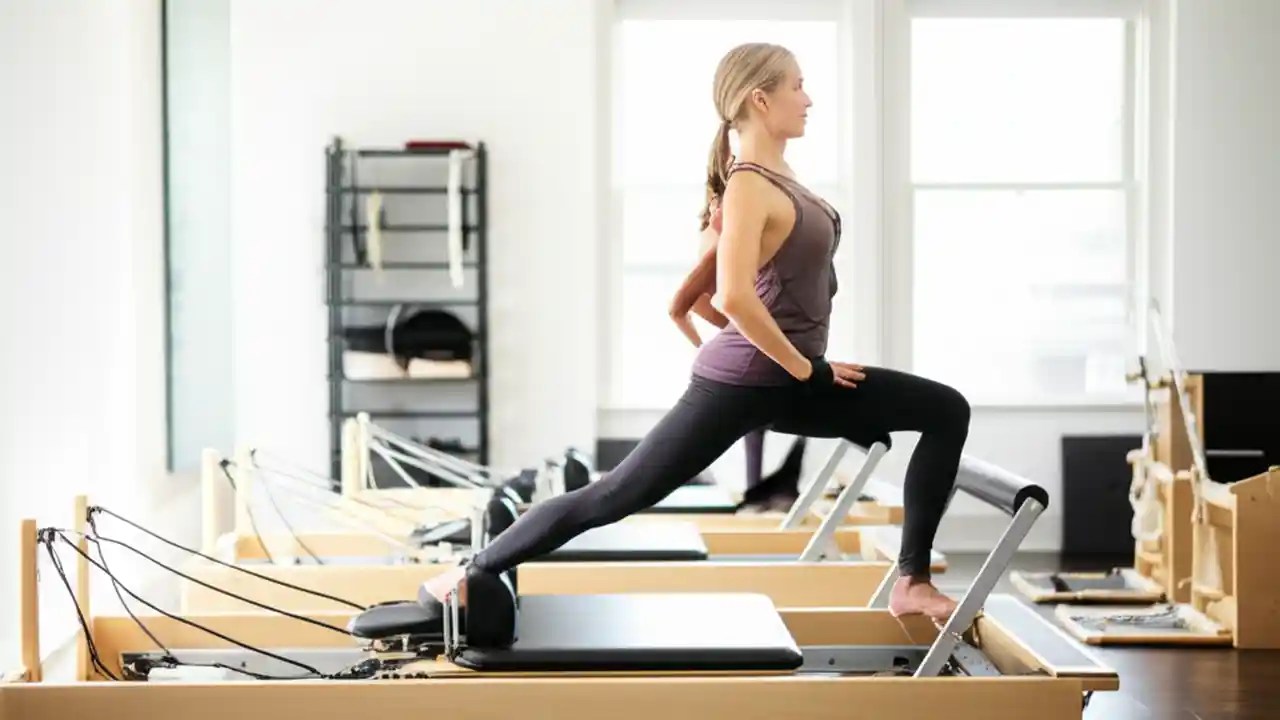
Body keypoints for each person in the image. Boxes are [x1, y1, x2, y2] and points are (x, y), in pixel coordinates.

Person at [423, 42, 969, 622]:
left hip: (781, 378)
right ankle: (470, 571)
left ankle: (911, 581)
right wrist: (803, 365)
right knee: (615, 496)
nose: (808, 99)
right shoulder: (750, 184)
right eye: (798, 86)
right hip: (759, 382)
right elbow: (731, 295)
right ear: (761, 99)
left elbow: (706, 301)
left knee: (944, 411)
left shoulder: (773, 179)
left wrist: (794, 357)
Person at [671, 188, 807, 512]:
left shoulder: (741, 243)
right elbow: (684, 308)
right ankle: (754, 493)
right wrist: (718, 341)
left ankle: (759, 492)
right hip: (744, 361)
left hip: (765, 353)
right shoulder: (716, 244)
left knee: (764, 426)